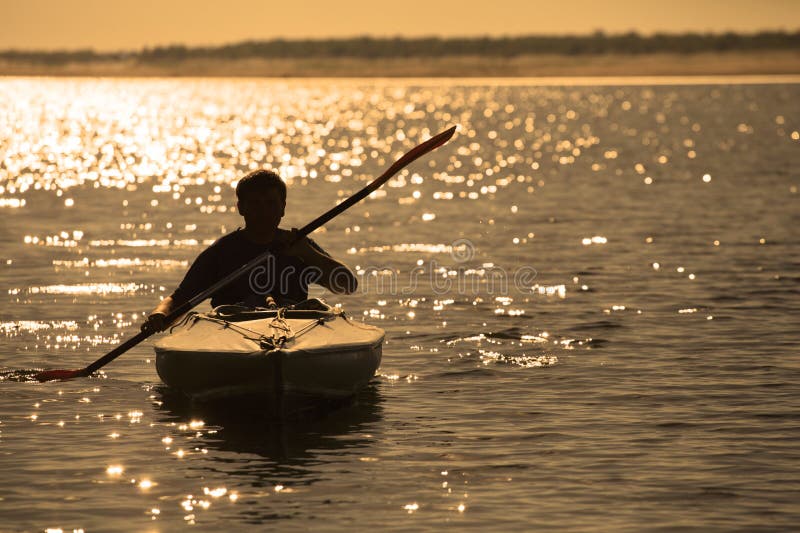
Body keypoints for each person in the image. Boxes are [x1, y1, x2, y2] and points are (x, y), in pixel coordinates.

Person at [140, 169, 358, 334]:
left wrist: (308, 254)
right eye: (255, 204)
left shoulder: (299, 246)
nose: (263, 211)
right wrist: (160, 314)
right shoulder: (221, 252)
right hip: (234, 331)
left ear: (283, 207)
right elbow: (179, 299)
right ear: (241, 208)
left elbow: (348, 285)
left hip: (293, 331)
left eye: (270, 204)